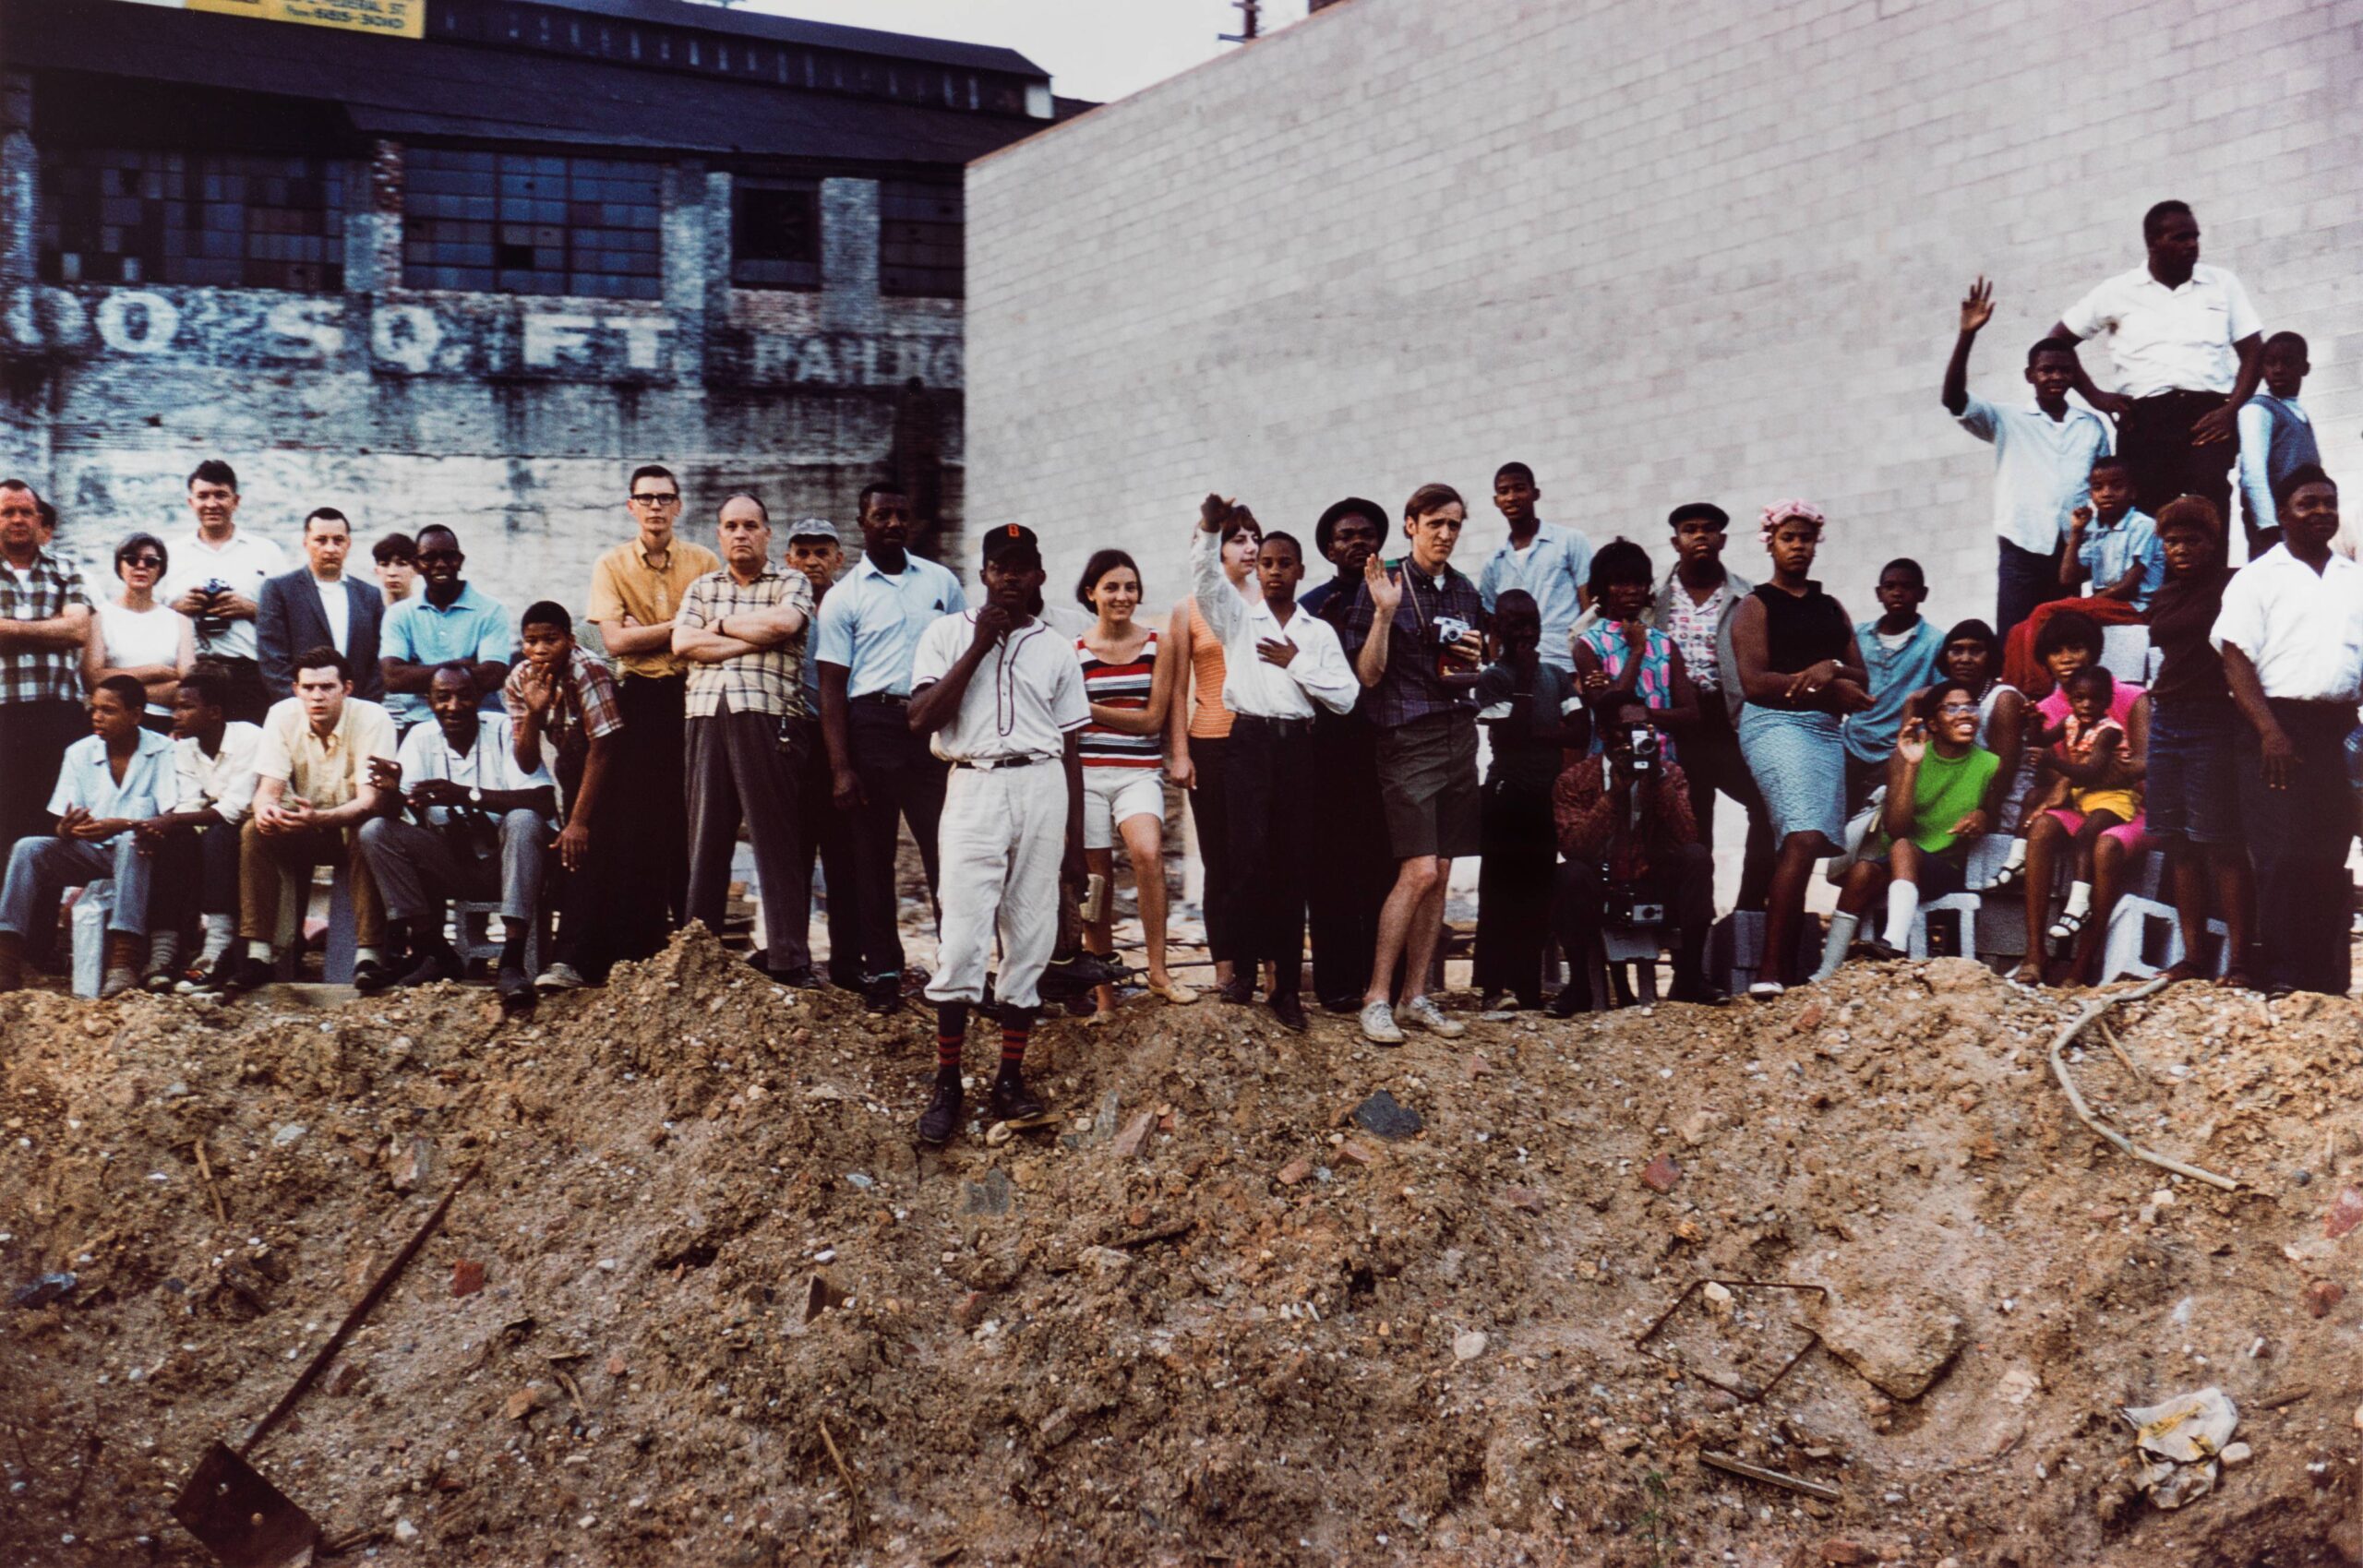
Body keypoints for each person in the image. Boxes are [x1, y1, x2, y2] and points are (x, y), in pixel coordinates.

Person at [906, 523, 1091, 1144]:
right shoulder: (946, 633)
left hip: (1041, 784)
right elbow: (921, 717)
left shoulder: (1058, 646)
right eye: (999, 566)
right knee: (961, 939)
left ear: (1039, 575)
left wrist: (1074, 841)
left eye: (1023, 566)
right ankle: (948, 1081)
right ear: (982, 574)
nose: (1010, 576)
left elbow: (1070, 749)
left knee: (1031, 937)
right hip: (974, 781)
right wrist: (981, 644)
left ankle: (1008, 1077)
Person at [1190, 502, 1358, 1032]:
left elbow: (1347, 697)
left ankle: (1285, 986)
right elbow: (1204, 581)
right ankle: (1241, 973)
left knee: (1291, 865)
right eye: (1267, 562)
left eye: (1286, 563)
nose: (1276, 570)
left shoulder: (1316, 632)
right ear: (1256, 569)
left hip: (1297, 749)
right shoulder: (1240, 619)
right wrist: (1209, 529)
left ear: (1301, 570)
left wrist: (1296, 663)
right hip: (1249, 741)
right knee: (1245, 859)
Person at [1341, 482, 1487, 1045]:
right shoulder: (1383, 581)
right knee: (1419, 870)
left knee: (1444, 873)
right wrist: (1383, 616)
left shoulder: (1465, 590)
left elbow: (1473, 670)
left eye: (1454, 525)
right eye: (1435, 524)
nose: (1445, 535)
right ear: (1410, 525)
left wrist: (1475, 655)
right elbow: (1368, 676)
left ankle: (1415, 996)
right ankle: (1376, 998)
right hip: (1406, 738)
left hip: (1458, 733)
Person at [813, 485, 966, 1011]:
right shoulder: (845, 596)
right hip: (871, 725)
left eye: (902, 514)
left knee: (949, 851)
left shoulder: (942, 583)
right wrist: (840, 767)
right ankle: (883, 972)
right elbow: (832, 687)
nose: (894, 523)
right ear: (863, 522)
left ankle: (959, 967)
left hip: (931, 730)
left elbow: (964, 660)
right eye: (883, 515)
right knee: (871, 858)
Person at [2213, 465, 2359, 997]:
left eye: (2328, 502)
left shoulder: (2352, 577)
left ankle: (2325, 981)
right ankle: (2280, 975)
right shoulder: (2258, 577)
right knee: (2282, 855)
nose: (2321, 512)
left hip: (2337, 730)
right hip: (2273, 729)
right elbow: (2235, 657)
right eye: (2307, 504)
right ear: (2281, 514)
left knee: (2328, 853)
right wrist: (2271, 732)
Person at [672, 492, 816, 986]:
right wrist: (750, 639)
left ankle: (788, 959)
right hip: (706, 715)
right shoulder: (701, 586)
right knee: (705, 839)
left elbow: (785, 623)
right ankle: (698, 954)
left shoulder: (791, 581)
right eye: (731, 526)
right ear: (719, 534)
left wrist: (723, 627)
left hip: (768, 715)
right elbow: (684, 642)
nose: (740, 534)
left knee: (774, 839)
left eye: (750, 525)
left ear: (767, 533)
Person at [1729, 501, 1870, 997]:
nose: (1798, 547)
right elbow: (1755, 682)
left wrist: (1829, 669)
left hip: (1825, 732)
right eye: (1789, 538)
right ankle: (1768, 970)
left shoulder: (1832, 607)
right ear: (1770, 541)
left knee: (1800, 843)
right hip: (1774, 724)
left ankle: (1783, 967)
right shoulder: (1755, 604)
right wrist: (1820, 684)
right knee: (1804, 835)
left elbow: (1861, 676)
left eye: (1806, 539)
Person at [2048, 200, 2263, 522]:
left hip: (2207, 415)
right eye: (2180, 238)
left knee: (2209, 497)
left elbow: (2253, 352)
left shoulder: (2222, 284)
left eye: (2194, 236)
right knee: (2148, 511)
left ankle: (2213, 574)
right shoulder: (2117, 291)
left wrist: (2230, 410)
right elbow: (2056, 342)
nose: (2191, 245)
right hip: (2145, 419)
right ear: (2153, 244)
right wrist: (2096, 396)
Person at [360, 664, 557, 1011]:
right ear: (429, 701)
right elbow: (395, 812)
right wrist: (390, 793)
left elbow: (542, 801)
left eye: (464, 696)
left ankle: (512, 962)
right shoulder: (421, 737)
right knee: (375, 831)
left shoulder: (501, 729)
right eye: (443, 697)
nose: (454, 706)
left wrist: (467, 795)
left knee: (523, 820)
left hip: (508, 864)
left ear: (479, 698)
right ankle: (435, 951)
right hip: (455, 863)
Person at [215, 646, 395, 995]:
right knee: (256, 830)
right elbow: (268, 788)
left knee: (369, 830)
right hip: (309, 826)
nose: (317, 696)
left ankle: (369, 958)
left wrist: (318, 819)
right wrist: (267, 809)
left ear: (348, 688)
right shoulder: (282, 715)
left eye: (327, 687)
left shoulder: (374, 718)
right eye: (308, 688)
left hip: (353, 826)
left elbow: (370, 802)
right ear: (296, 689)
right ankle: (258, 956)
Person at [586, 465, 719, 935]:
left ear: (679, 506)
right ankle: (638, 937)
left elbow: (715, 630)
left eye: (665, 498)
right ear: (632, 507)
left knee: (692, 813)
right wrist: (682, 628)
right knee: (639, 815)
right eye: (646, 499)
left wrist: (653, 633)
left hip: (693, 695)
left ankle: (695, 933)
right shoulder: (611, 565)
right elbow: (616, 643)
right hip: (640, 697)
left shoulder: (704, 563)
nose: (656, 507)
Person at [1941, 278, 2115, 638]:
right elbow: (1954, 399)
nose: (2055, 377)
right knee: (2016, 639)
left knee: (2063, 641)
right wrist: (1967, 336)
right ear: (2030, 375)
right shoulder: (2008, 420)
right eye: (2046, 370)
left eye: (2064, 370)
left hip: (2069, 553)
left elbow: (2103, 489)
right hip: (2021, 549)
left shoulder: (2090, 426)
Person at [1074, 546, 1193, 1020]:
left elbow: (1152, 721)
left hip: (1137, 772)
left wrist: (1085, 710)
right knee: (1096, 883)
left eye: (1130, 587)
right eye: (1111, 588)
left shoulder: (1158, 643)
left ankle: (1159, 971)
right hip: (1086, 775)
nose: (1122, 596)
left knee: (1147, 853)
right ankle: (1105, 994)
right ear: (1091, 594)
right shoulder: (1074, 650)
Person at [0, 676, 174, 996]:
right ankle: (6, 960)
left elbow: (168, 817)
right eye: (93, 709)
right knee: (27, 848)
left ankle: (124, 961)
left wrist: (120, 825)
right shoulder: (79, 753)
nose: (96, 717)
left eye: (108, 710)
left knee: (129, 842)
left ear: (136, 715)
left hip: (146, 855)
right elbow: (62, 823)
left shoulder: (163, 750)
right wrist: (66, 829)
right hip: (89, 852)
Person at [1815, 684, 1997, 979]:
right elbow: (1896, 827)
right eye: (1952, 708)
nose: (1964, 714)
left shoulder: (1990, 764)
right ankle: (1828, 969)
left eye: (1971, 707)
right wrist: (1911, 766)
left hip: (1946, 869)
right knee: (1863, 870)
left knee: (1902, 848)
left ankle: (1894, 943)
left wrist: (1983, 816)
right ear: (1933, 723)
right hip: (1903, 864)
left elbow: (1994, 815)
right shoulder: (1908, 755)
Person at [2141, 497, 2250, 986]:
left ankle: (2242, 962)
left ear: (2212, 542)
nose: (2182, 549)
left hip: (2213, 720)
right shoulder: (2163, 595)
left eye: (2192, 539)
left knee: (2222, 844)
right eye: (2173, 541)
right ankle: (2193, 958)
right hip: (2167, 721)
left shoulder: (2233, 586)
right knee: (2179, 844)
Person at [1548, 700, 1715, 1013]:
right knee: (1569, 874)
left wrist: (1656, 781)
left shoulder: (1670, 774)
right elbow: (1574, 847)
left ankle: (1691, 976)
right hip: (1601, 884)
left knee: (1696, 857)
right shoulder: (1574, 780)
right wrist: (1614, 796)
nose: (1634, 739)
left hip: (1651, 878)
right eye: (1625, 731)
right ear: (1604, 733)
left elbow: (1688, 837)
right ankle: (1580, 986)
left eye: (1642, 729)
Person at [1300, 497, 1396, 1012]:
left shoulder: (1400, 595)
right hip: (1330, 751)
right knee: (1331, 869)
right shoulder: (1311, 606)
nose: (1357, 543)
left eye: (1366, 534)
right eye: (1345, 536)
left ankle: (1385, 981)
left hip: (1386, 744)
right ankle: (1337, 985)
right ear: (1328, 548)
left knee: (1383, 866)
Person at [1656, 501, 1774, 911]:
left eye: (1709, 529)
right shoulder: (1655, 600)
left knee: (1765, 803)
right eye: (1691, 530)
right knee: (1692, 829)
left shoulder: (1748, 596)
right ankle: (1694, 928)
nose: (1700, 536)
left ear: (1722, 539)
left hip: (1730, 723)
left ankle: (1748, 909)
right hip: (1676, 726)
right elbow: (1585, 629)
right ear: (1676, 541)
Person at [506, 600, 625, 989]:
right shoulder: (519, 679)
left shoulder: (588, 669)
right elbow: (525, 761)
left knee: (586, 849)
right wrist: (535, 711)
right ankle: (569, 958)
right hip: (572, 771)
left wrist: (577, 822)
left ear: (570, 640)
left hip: (616, 768)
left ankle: (571, 960)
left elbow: (604, 749)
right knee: (569, 855)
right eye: (531, 641)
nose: (539, 650)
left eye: (550, 640)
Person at [1472, 589, 1582, 1011]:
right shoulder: (1493, 677)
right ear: (1498, 628)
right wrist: (1521, 683)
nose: (1526, 632)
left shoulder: (1554, 675)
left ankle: (1528, 986)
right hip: (1506, 798)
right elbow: (1509, 733)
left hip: (1543, 798)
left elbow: (1578, 729)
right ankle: (1493, 988)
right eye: (1515, 624)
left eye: (1532, 623)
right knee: (1499, 893)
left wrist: (1535, 736)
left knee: (1536, 894)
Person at [1168, 501, 1260, 998]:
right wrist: (1180, 754)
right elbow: (1179, 685)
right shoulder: (1189, 608)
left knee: (1261, 859)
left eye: (1253, 537)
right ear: (1216, 548)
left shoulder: (1269, 599)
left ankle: (1263, 968)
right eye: (1237, 538)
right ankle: (1225, 969)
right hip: (1211, 740)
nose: (1249, 547)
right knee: (1220, 861)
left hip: (1261, 742)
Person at [135, 662, 260, 993]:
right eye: (175, 707)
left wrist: (173, 819)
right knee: (173, 839)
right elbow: (189, 804)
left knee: (217, 836)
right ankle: (165, 950)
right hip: (217, 823)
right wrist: (168, 825)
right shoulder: (184, 747)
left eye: (186, 707)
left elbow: (235, 808)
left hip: (260, 824)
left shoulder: (249, 737)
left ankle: (217, 949)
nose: (176, 714)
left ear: (215, 712)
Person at [782, 519, 861, 992]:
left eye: (821, 552)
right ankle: (792, 958)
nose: (812, 562)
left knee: (845, 856)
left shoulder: (850, 603)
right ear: (789, 557)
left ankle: (848, 964)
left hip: (841, 738)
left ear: (838, 558)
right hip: (791, 738)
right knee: (791, 853)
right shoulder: (777, 600)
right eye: (803, 552)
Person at [1999, 457, 2155, 696]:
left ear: (2132, 492)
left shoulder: (2143, 525)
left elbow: (2129, 585)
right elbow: (2068, 578)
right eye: (2098, 487)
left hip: (2135, 606)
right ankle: (2014, 694)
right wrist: (2077, 532)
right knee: (2017, 630)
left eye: (2116, 486)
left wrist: (2082, 606)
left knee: (2044, 612)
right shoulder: (2095, 529)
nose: (2107, 493)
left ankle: (2039, 689)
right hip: (2104, 605)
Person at [2017, 665, 2143, 950]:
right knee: (2035, 802)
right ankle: (2016, 861)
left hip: (2114, 797)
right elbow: (2040, 741)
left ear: (2108, 701)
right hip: (2085, 796)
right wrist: (2034, 723)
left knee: (2088, 837)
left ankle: (2078, 904)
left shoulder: (2108, 732)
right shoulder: (2070, 721)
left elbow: (2092, 772)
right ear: (2071, 699)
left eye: (2095, 699)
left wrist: (2053, 762)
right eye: (2079, 698)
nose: (2086, 705)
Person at [0, 479, 93, 856]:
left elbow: (78, 629)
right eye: (7, 512)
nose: (17, 519)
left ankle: (46, 915)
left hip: (59, 714)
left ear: (40, 520)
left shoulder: (65, 568)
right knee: (4, 818)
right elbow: (62, 629)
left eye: (25, 512)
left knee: (53, 821)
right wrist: (47, 628)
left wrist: (8, 628)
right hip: (4, 713)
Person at [157, 461, 284, 724]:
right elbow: (148, 617)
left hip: (248, 674)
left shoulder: (265, 551)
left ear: (236, 501)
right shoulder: (169, 554)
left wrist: (251, 610)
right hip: (190, 675)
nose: (212, 504)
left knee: (249, 754)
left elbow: (291, 615)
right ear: (190, 502)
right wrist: (178, 610)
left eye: (220, 495)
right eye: (203, 496)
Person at [379, 525, 510, 734]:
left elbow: (492, 676)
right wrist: (462, 665)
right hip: (419, 725)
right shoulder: (399, 614)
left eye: (448, 556)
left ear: (460, 561)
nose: (440, 564)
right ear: (417, 564)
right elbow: (393, 678)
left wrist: (418, 672)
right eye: (429, 557)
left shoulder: (492, 610)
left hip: (482, 723)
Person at [1575, 540, 1699, 756]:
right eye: (1621, 583)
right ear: (1603, 587)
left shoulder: (1664, 643)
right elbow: (1610, 712)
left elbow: (1691, 714)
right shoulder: (1587, 645)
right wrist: (1637, 651)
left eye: (1639, 583)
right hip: (1612, 765)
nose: (1632, 591)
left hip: (1664, 763)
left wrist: (1646, 713)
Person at [1840, 559, 1944, 807]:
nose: (1898, 592)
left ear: (1923, 593)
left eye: (1907, 586)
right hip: (1851, 747)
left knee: (1875, 827)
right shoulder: (1858, 636)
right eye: (1890, 586)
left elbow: (1939, 696)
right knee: (1836, 823)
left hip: (1895, 752)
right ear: (1879, 593)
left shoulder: (1936, 642)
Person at [259, 508, 385, 705]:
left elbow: (378, 662)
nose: (330, 548)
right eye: (321, 540)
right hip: (302, 712)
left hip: (358, 712)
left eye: (338, 540)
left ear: (348, 543)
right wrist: (305, 706)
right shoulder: (280, 590)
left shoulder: (369, 595)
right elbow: (273, 661)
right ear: (306, 543)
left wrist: (364, 708)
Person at [1476, 462, 1591, 673]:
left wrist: (1588, 667)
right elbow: (1494, 629)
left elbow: (1590, 610)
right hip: (1516, 673)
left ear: (1535, 493)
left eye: (1519, 488)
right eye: (1504, 492)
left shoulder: (1570, 541)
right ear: (1496, 501)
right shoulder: (1493, 565)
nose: (1511, 497)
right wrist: (1495, 668)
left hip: (1568, 666)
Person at [1918, 620, 2026, 833]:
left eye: (1976, 651)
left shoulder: (2003, 700)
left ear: (1990, 657)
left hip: (1998, 803)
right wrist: (1912, 702)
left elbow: (2001, 774)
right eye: (1957, 650)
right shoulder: (1944, 697)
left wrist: (1984, 813)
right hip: (1961, 793)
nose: (1965, 659)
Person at [83, 532, 193, 734]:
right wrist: (155, 671)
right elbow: (93, 680)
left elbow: (186, 688)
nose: (141, 566)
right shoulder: (99, 617)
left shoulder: (180, 621)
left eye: (151, 561)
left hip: (165, 723)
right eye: (132, 560)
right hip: (114, 724)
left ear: (160, 569)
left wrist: (119, 692)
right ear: (120, 566)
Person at [2235, 331, 2321, 558]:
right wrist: (2269, 528)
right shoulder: (2258, 410)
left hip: (2302, 522)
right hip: (2276, 528)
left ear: (2305, 368)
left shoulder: (2297, 411)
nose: (2278, 369)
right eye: (2270, 363)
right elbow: (2253, 475)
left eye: (2287, 362)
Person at [371, 533, 418, 608]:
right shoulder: (368, 614)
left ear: (416, 570)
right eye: (384, 565)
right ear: (376, 571)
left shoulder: (426, 613)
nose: (392, 573)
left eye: (402, 564)